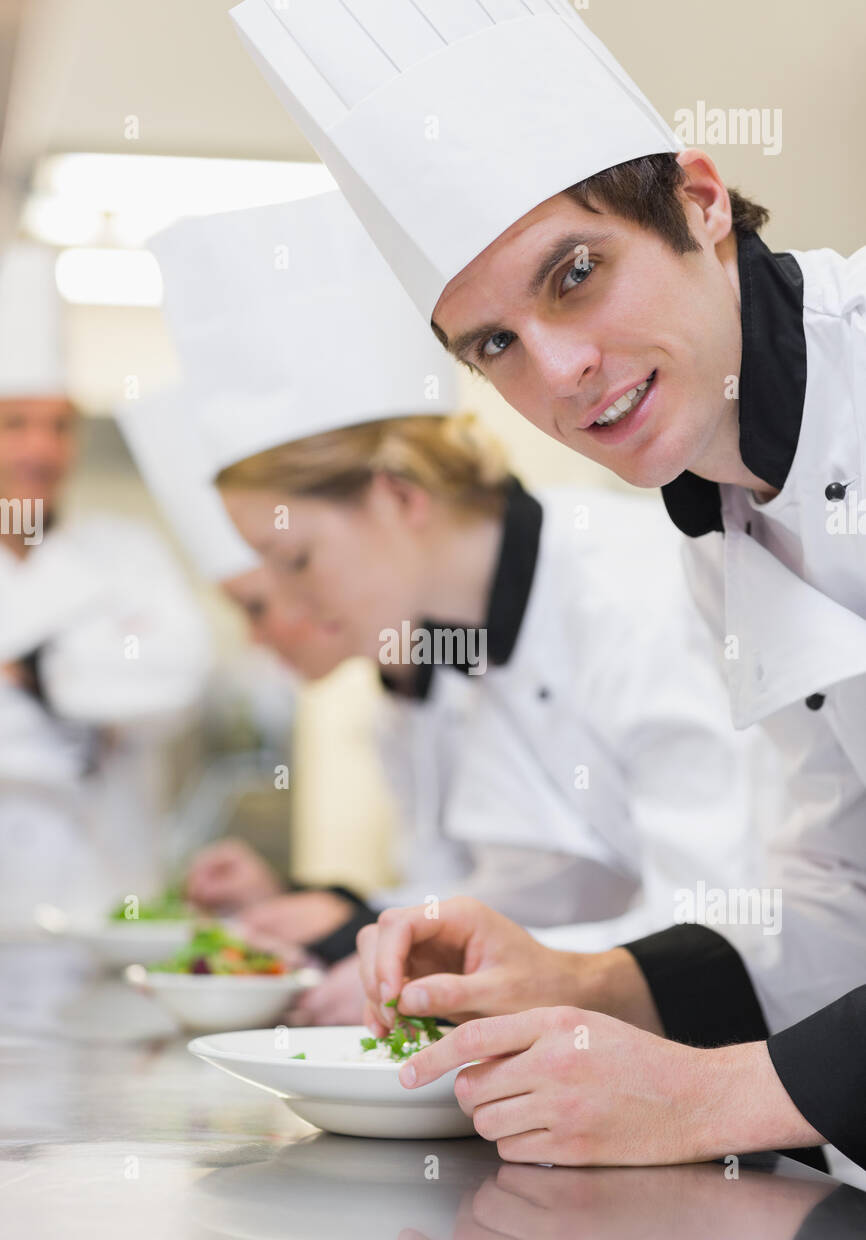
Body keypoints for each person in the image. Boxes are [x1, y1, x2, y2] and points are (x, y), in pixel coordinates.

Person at [232, 0, 866, 1175]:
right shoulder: (720, 521)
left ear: (699, 199)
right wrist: (581, 978)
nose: (560, 371)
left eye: (575, 275)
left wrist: (714, 1098)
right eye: (492, 345)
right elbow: (837, 897)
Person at [139, 191, 765, 1026]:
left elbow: (733, 932)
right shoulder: (448, 651)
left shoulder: (636, 589)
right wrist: (360, 929)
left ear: (399, 496)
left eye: (296, 562)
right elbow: (526, 898)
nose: (291, 607)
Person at [0, 245, 210, 926]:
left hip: (106, 904)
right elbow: (128, 687)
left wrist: (31, 672)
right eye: (16, 424)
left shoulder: (128, 554)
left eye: (59, 426)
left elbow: (181, 679)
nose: (42, 450)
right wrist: (90, 701)